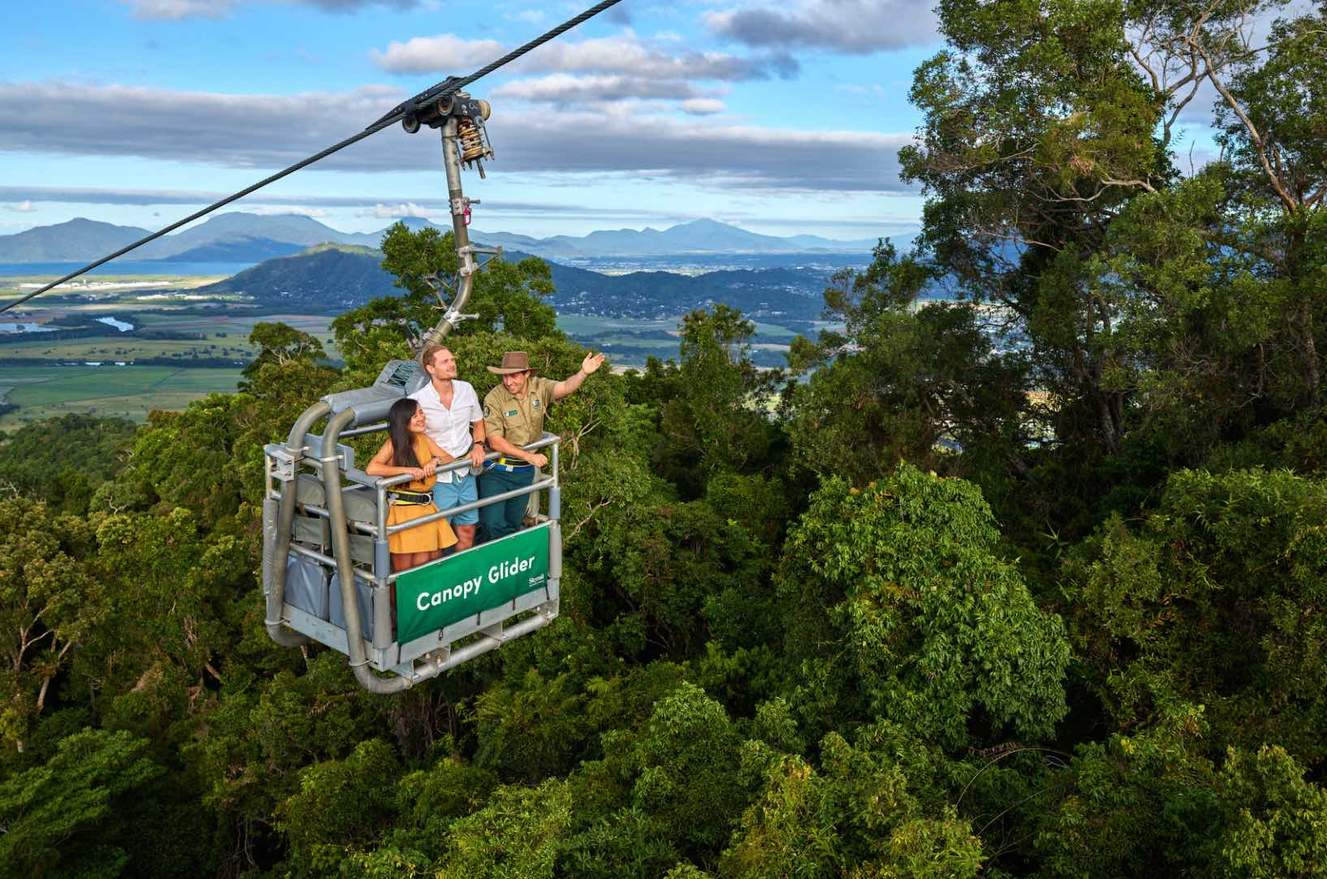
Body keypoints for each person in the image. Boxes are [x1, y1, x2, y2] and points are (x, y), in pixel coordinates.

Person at [478, 349, 605, 543]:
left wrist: (583, 373)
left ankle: (507, 563)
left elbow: (565, 387)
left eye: (514, 376)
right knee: (491, 523)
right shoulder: (494, 398)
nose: (508, 382)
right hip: (498, 469)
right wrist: (528, 456)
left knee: (513, 522)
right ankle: (488, 564)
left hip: (524, 472)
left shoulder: (539, 387)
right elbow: (495, 440)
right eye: (505, 377)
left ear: (527, 373)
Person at [409, 344, 487, 552]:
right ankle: (438, 580)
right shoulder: (417, 401)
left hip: (466, 471)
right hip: (438, 477)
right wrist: (437, 457)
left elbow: (478, 423)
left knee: (468, 528)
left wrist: (478, 445)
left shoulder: (466, 389)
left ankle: (460, 578)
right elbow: (416, 437)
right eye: (445, 362)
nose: (452, 364)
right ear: (430, 368)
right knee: (437, 533)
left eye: (452, 360)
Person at [365, 398, 458, 572]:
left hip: (426, 508)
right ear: (403, 420)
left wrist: (435, 461)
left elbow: (449, 458)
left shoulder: (423, 438)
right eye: (414, 415)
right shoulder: (393, 443)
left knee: (430, 563)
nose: (421, 418)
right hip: (403, 511)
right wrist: (406, 471)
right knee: (405, 571)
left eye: (421, 413)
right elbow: (372, 468)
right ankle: (398, 600)